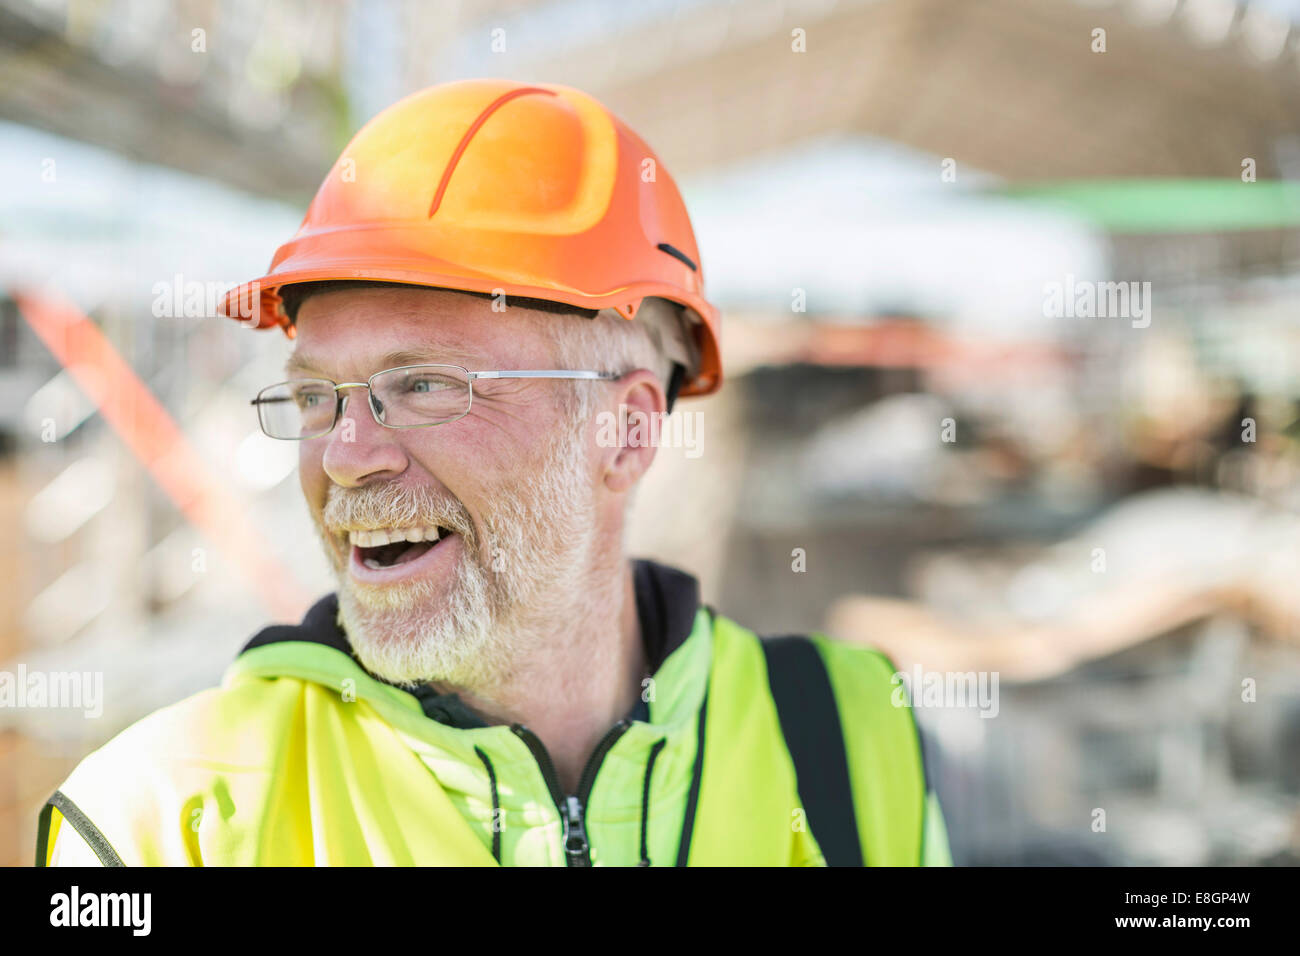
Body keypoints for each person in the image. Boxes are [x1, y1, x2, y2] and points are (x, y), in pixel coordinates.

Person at [36, 79, 951, 866]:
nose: (349, 454)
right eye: (317, 396)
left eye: (424, 384)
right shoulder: (162, 821)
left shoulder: (846, 734)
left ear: (625, 431)